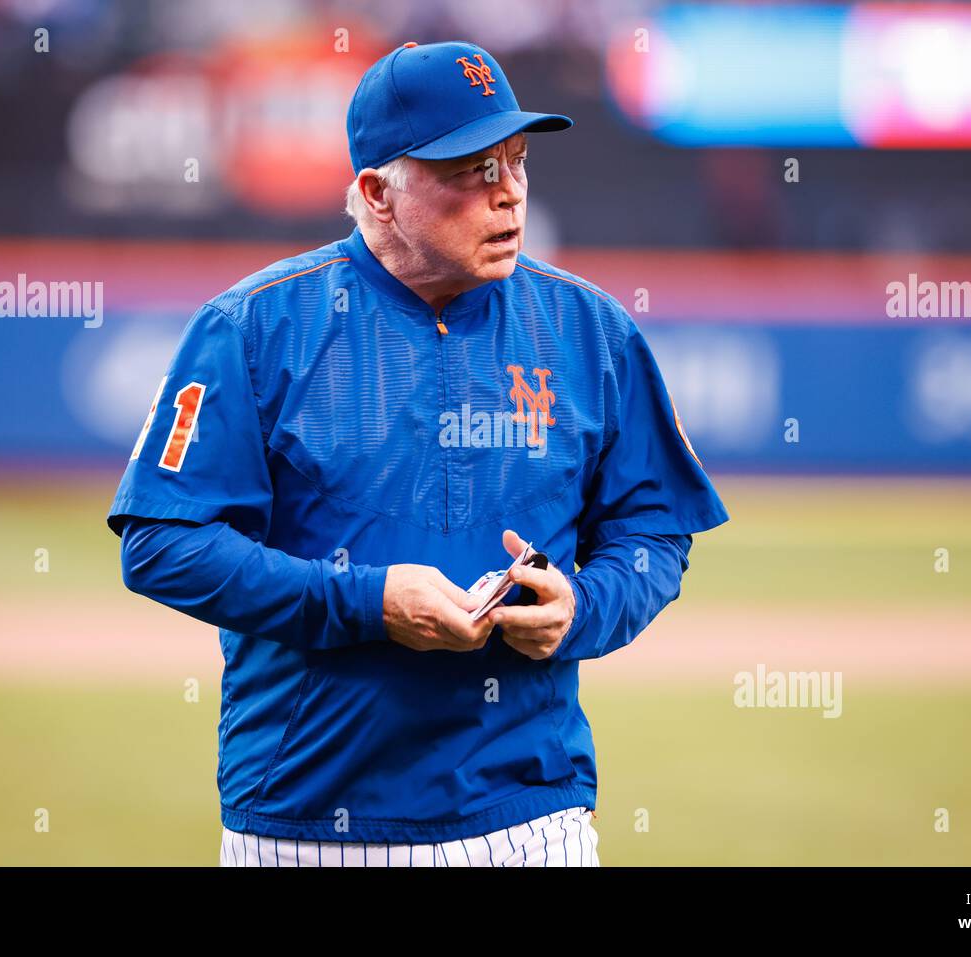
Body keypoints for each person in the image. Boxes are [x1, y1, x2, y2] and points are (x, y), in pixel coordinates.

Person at [108, 40, 729, 867]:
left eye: (517, 161)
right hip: (304, 822)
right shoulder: (255, 327)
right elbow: (163, 545)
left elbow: (655, 534)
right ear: (377, 192)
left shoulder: (591, 330)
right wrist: (367, 602)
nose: (508, 194)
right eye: (472, 170)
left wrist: (583, 606)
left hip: (529, 816)